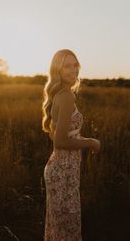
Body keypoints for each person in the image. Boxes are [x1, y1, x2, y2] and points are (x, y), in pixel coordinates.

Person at [42, 49, 101, 241]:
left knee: (61, 229)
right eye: (67, 66)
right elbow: (60, 141)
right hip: (63, 169)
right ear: (57, 70)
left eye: (75, 65)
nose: (73, 69)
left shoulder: (60, 94)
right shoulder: (66, 96)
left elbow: (55, 135)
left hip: (62, 168)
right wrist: (90, 142)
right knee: (67, 230)